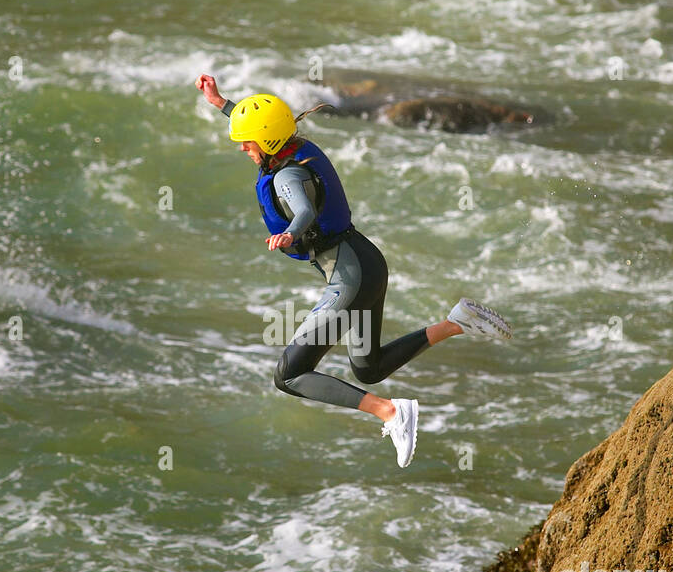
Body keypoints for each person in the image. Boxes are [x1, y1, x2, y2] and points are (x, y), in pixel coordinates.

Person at [195, 75, 511, 467]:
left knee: (289, 375)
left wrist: (290, 236)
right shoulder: (293, 146)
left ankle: (392, 413)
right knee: (369, 367)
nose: (243, 147)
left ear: (268, 142)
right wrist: (221, 103)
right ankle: (457, 322)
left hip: (352, 277)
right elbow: (264, 127)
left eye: (247, 142)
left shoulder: (287, 176)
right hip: (365, 263)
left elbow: (306, 211)